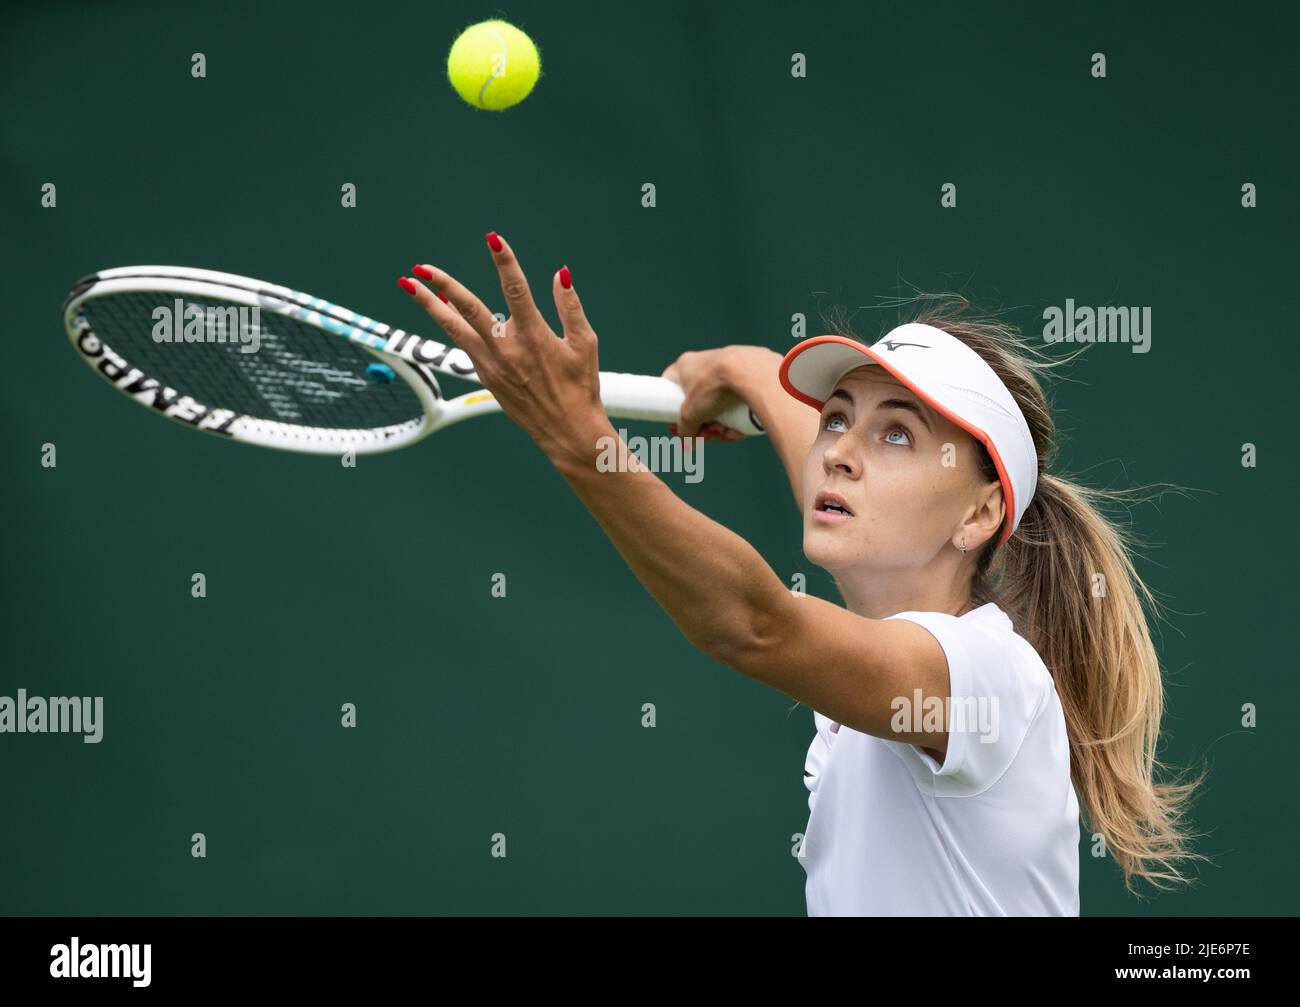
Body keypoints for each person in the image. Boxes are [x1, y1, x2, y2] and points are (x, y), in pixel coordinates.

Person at [397, 232, 1205, 916]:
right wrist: (743, 368)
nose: (842, 452)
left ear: (979, 513)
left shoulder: (987, 676)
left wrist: (580, 438)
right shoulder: (899, 645)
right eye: (838, 419)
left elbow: (754, 623)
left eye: (898, 436)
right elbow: (824, 464)